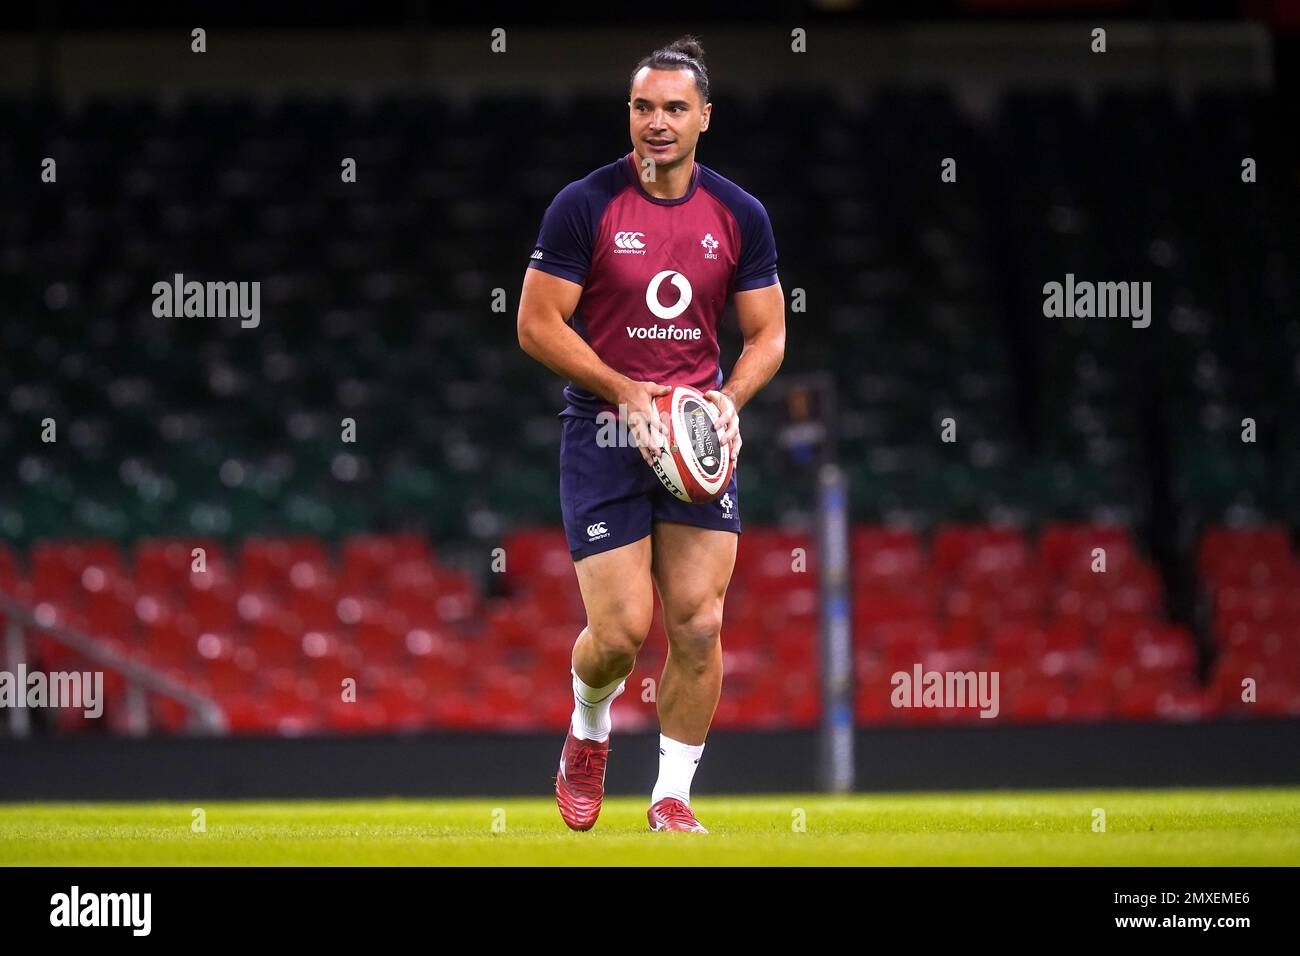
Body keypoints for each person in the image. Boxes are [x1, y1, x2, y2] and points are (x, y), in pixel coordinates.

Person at [516, 35, 785, 832]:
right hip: (603, 435)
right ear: (628, 114)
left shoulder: (740, 214)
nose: (657, 122)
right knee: (622, 631)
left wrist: (727, 403)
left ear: (705, 116)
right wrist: (626, 391)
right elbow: (536, 324)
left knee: (699, 624)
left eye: (674, 107)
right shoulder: (584, 204)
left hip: (696, 437)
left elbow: (768, 335)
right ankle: (588, 727)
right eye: (643, 107)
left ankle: (672, 799)